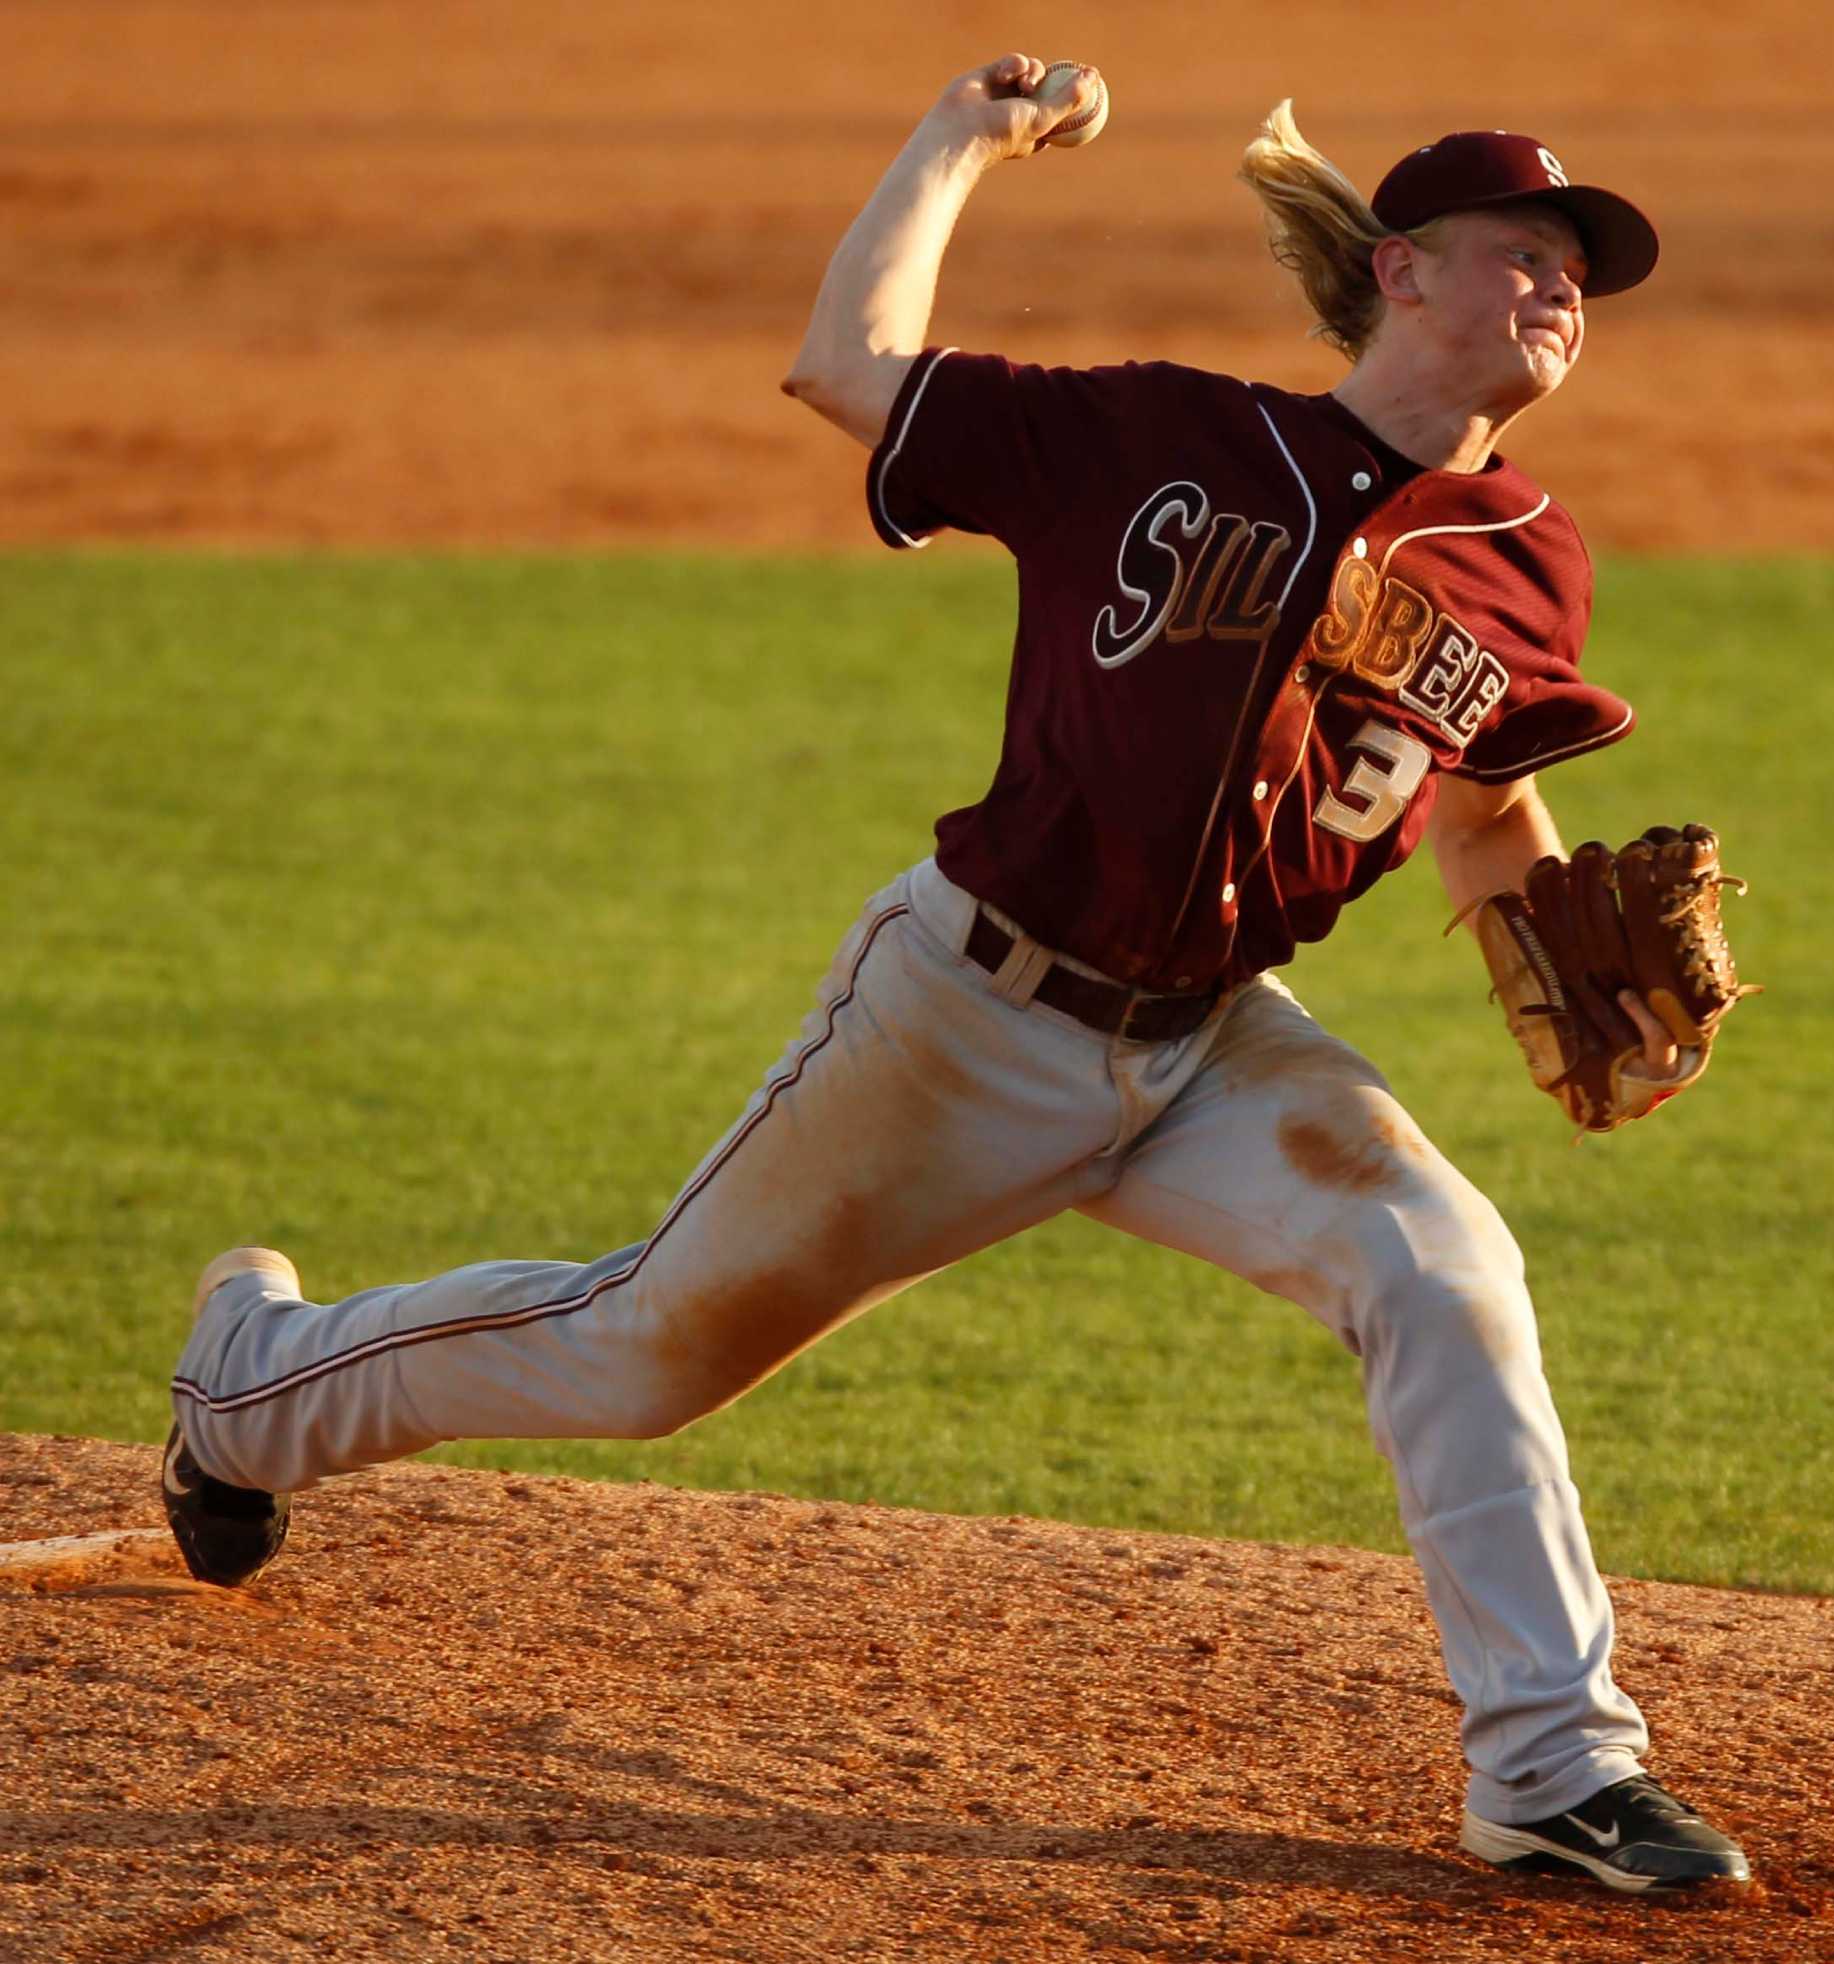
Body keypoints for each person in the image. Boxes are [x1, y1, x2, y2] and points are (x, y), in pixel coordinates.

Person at [162, 55, 1750, 1896]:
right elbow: (847, 367)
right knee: (640, 1352)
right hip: (967, 1015)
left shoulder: (1527, 565)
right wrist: (958, 143)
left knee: (1449, 1268)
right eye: (1524, 251)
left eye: (1582, 270)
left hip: (1217, 1050)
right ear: (1399, 270)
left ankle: (1554, 1770)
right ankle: (248, 1384)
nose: (1562, 289)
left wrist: (1551, 954)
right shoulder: (1160, 436)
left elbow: (1483, 815)